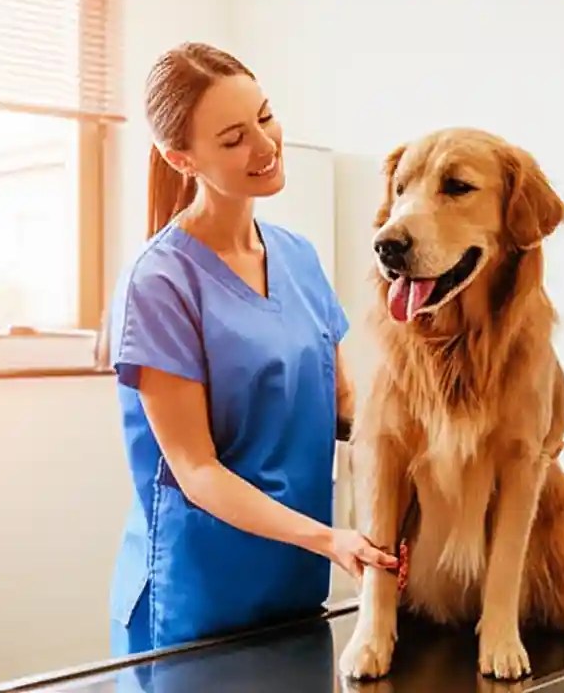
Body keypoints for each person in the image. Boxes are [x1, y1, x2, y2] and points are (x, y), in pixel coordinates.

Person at [101, 41, 397, 657]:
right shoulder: (160, 282)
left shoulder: (298, 256)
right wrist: (328, 538)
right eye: (233, 138)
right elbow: (197, 470)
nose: (265, 146)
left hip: (294, 593)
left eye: (265, 117)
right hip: (196, 603)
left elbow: (342, 408)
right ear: (181, 157)